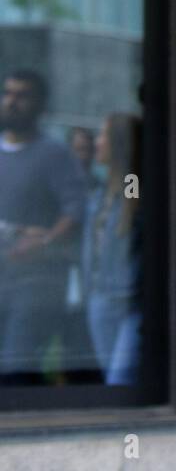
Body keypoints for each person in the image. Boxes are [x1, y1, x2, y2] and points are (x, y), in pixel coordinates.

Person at [0, 69, 89, 383]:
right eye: (8, 93)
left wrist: (46, 241)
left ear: (39, 104)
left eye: (22, 95)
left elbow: (76, 210)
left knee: (15, 368)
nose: (12, 102)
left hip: (36, 284)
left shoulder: (55, 155)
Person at [82, 113, 144, 386]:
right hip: (99, 299)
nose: (97, 142)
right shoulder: (99, 195)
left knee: (120, 379)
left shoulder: (136, 194)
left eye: (104, 135)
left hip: (130, 302)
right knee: (112, 379)